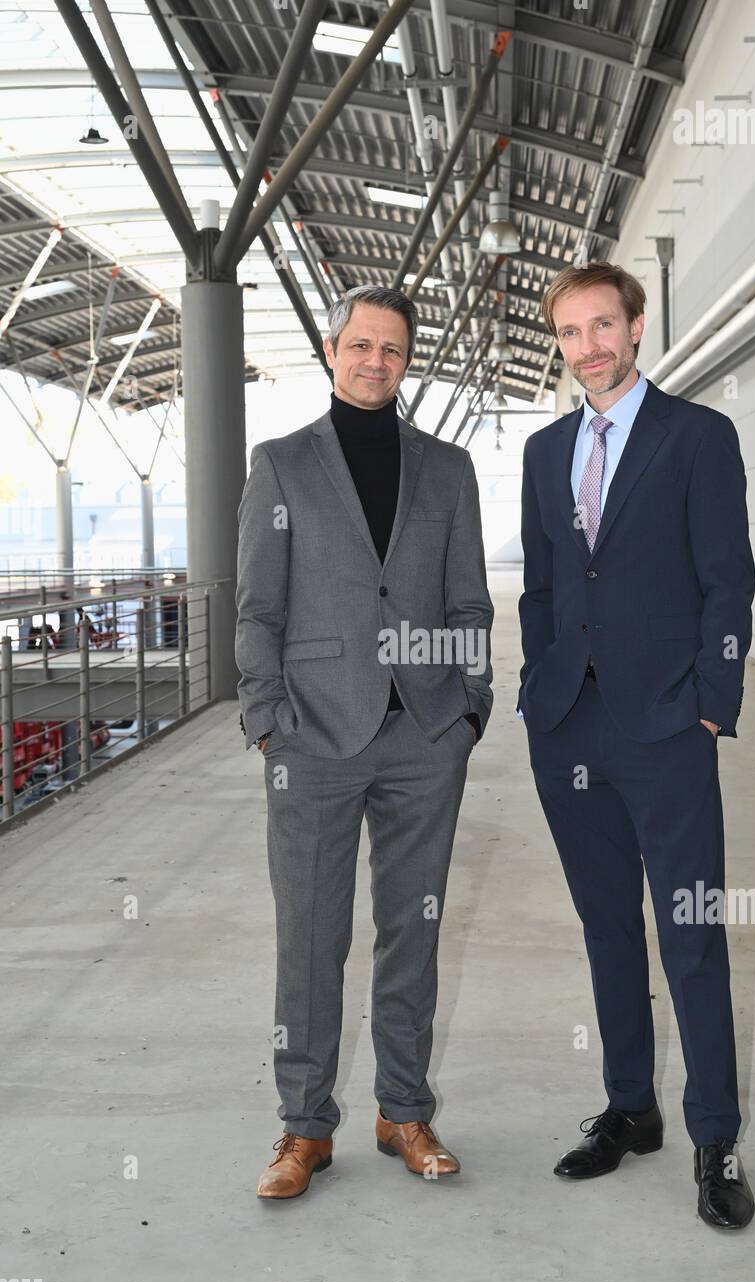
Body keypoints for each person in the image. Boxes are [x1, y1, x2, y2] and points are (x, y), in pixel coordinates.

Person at [236, 285, 493, 1199]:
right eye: (359, 345)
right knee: (309, 936)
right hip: (314, 738)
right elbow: (258, 609)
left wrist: (468, 712)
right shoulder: (281, 465)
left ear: (406, 359)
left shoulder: (449, 469)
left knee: (411, 932)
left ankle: (403, 1111)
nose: (373, 360)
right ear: (331, 350)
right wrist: (266, 722)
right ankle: (303, 1130)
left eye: (390, 347)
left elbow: (468, 601)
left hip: (425, 735)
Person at [518, 261, 755, 1230]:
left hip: (666, 726)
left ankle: (715, 1139)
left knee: (689, 938)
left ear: (637, 325)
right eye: (571, 332)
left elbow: (727, 582)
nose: (589, 347)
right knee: (607, 927)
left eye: (603, 326)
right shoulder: (541, 452)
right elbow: (542, 587)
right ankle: (632, 1107)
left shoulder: (697, 437)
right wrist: (540, 692)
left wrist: (711, 702)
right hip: (568, 725)